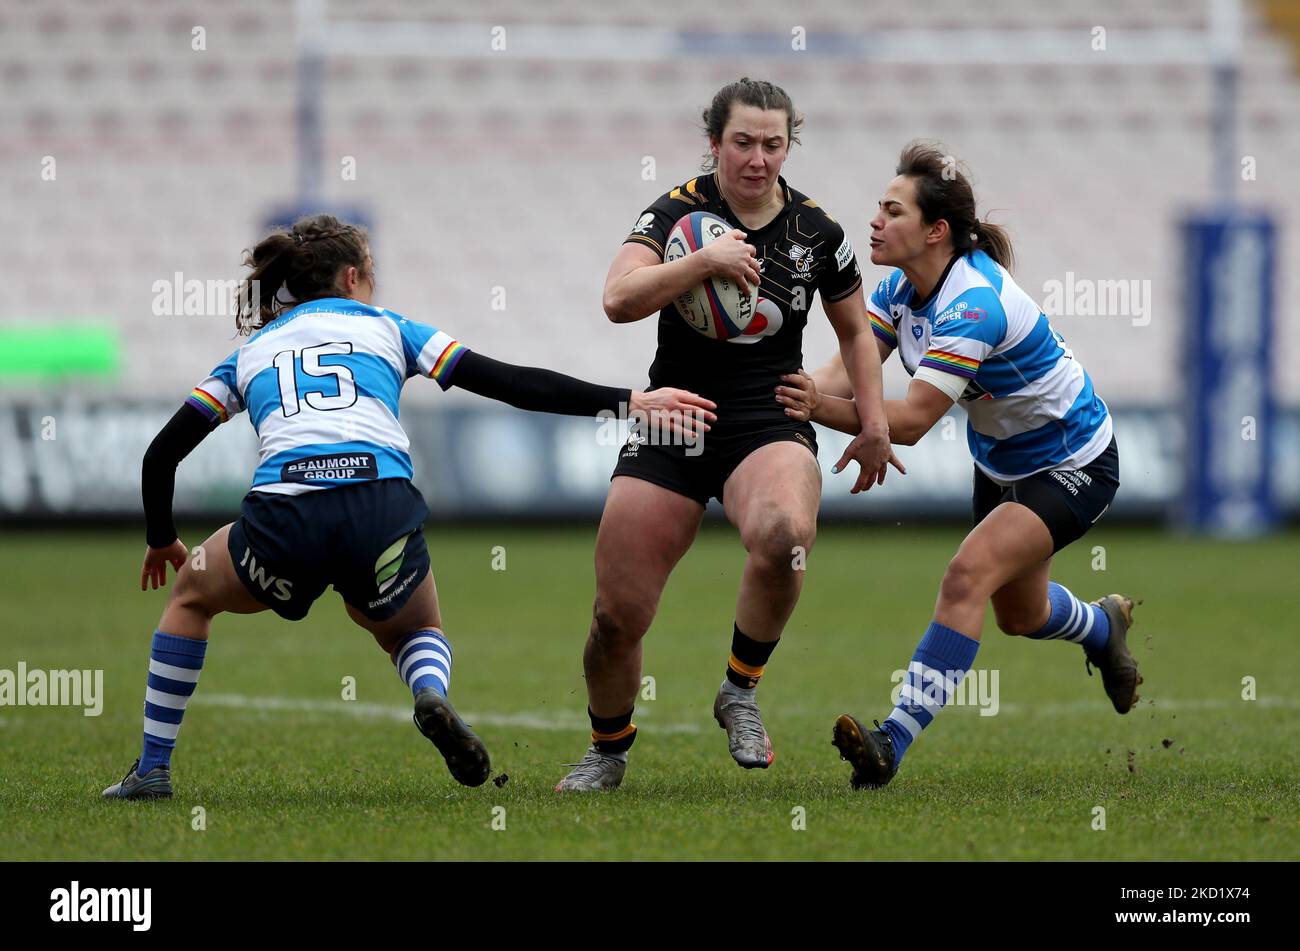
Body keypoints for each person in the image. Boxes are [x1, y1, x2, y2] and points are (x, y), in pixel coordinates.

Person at [103, 214, 714, 799]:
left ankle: (152, 769)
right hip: (380, 509)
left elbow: (161, 455)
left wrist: (161, 538)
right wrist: (630, 400)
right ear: (352, 277)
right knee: (415, 629)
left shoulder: (250, 352)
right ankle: (428, 691)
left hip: (286, 514)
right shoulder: (392, 329)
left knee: (192, 594)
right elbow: (510, 383)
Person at [555, 78, 893, 792]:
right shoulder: (675, 212)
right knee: (615, 616)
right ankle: (607, 750)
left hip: (766, 417)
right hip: (674, 416)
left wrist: (873, 422)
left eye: (773, 144)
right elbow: (617, 299)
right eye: (742, 142)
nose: (758, 159)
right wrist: (704, 263)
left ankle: (739, 689)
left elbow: (857, 332)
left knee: (785, 535)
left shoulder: (817, 232)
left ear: (789, 146)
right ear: (714, 143)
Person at [777, 142, 1141, 789]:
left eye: (893, 211)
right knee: (1019, 615)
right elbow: (843, 373)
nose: (875, 222)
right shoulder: (900, 287)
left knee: (966, 576)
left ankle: (890, 741)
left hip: (1073, 460)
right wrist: (783, 395)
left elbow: (912, 421)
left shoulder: (973, 304)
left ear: (935, 231)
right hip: (1001, 461)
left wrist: (817, 409)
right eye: (879, 208)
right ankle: (1100, 624)